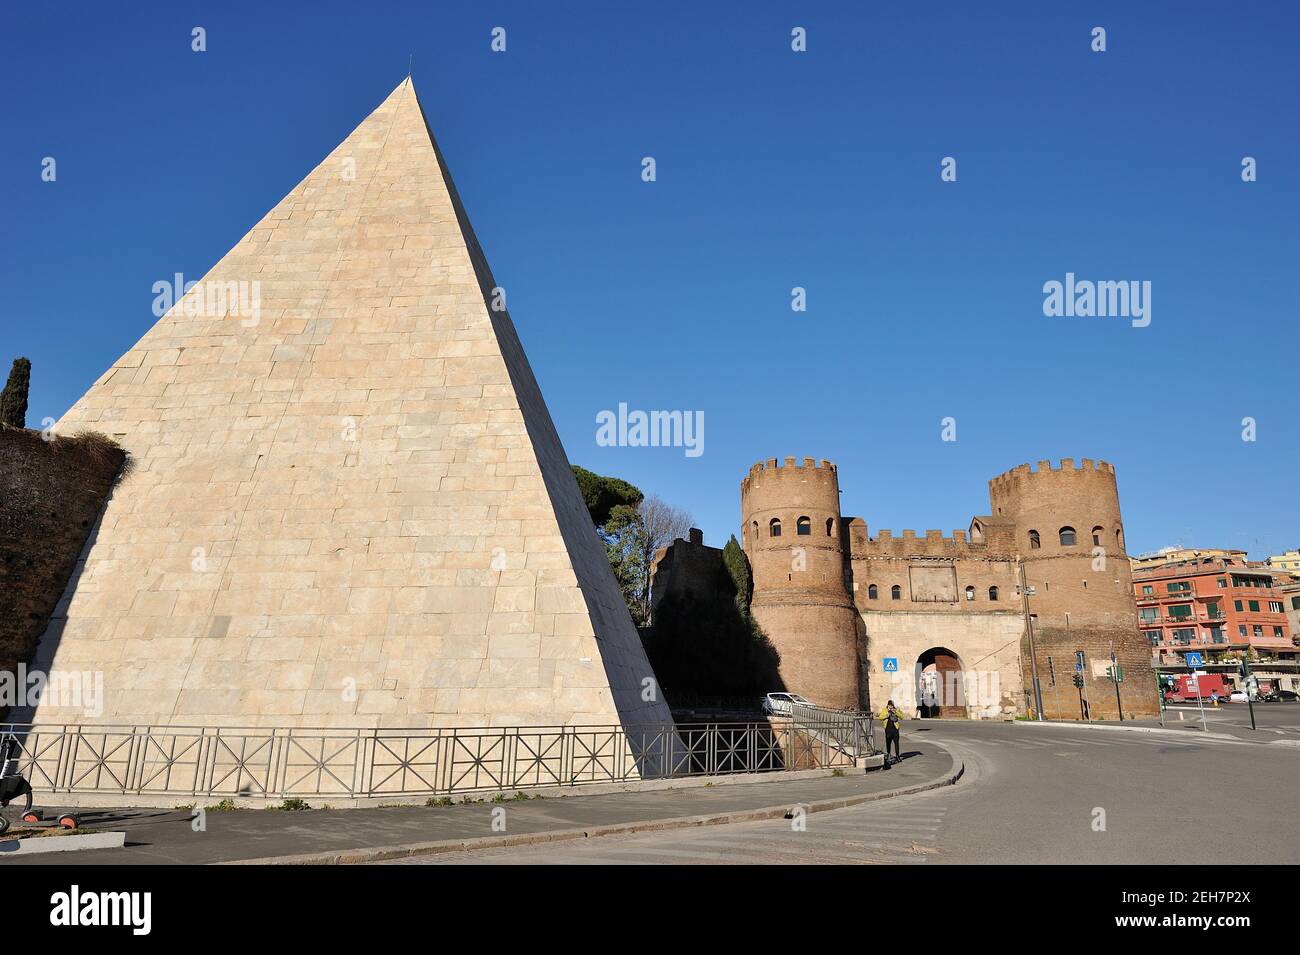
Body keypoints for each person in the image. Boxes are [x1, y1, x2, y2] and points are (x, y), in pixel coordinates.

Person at [879, 700, 903, 764]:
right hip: (888, 729)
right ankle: (889, 754)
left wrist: (895, 712)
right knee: (888, 743)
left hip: (895, 729)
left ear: (893, 705)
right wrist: (887, 715)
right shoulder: (885, 710)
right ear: (887, 705)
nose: (890, 706)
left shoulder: (896, 709)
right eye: (889, 705)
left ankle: (897, 756)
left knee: (896, 743)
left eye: (891, 705)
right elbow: (880, 717)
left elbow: (902, 717)